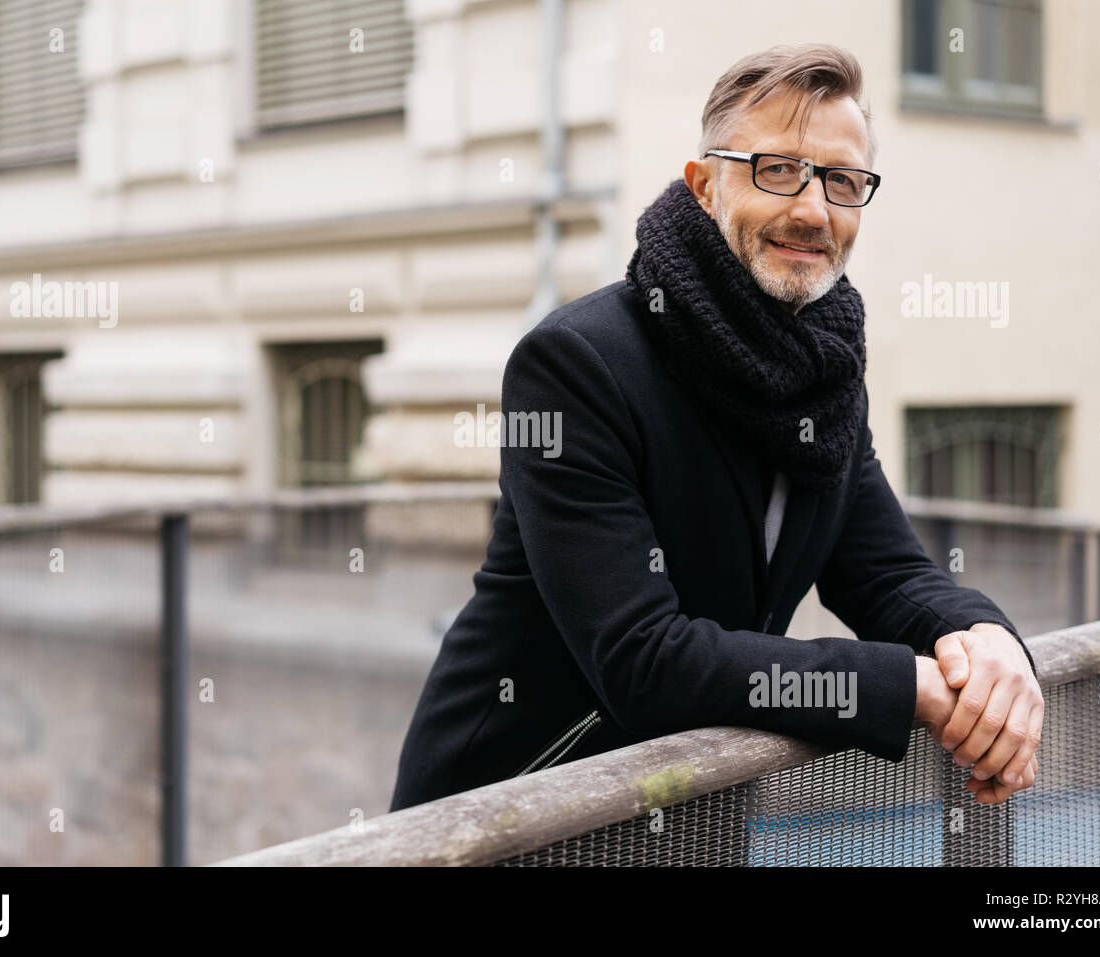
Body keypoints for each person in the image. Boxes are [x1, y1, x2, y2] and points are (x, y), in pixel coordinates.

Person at [390, 43, 1042, 814]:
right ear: (704, 185)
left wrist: (987, 641)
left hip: (693, 810)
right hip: (513, 812)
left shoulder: (827, 374)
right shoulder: (575, 364)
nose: (812, 209)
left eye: (842, 181)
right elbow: (645, 659)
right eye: (775, 169)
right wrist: (911, 687)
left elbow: (885, 572)